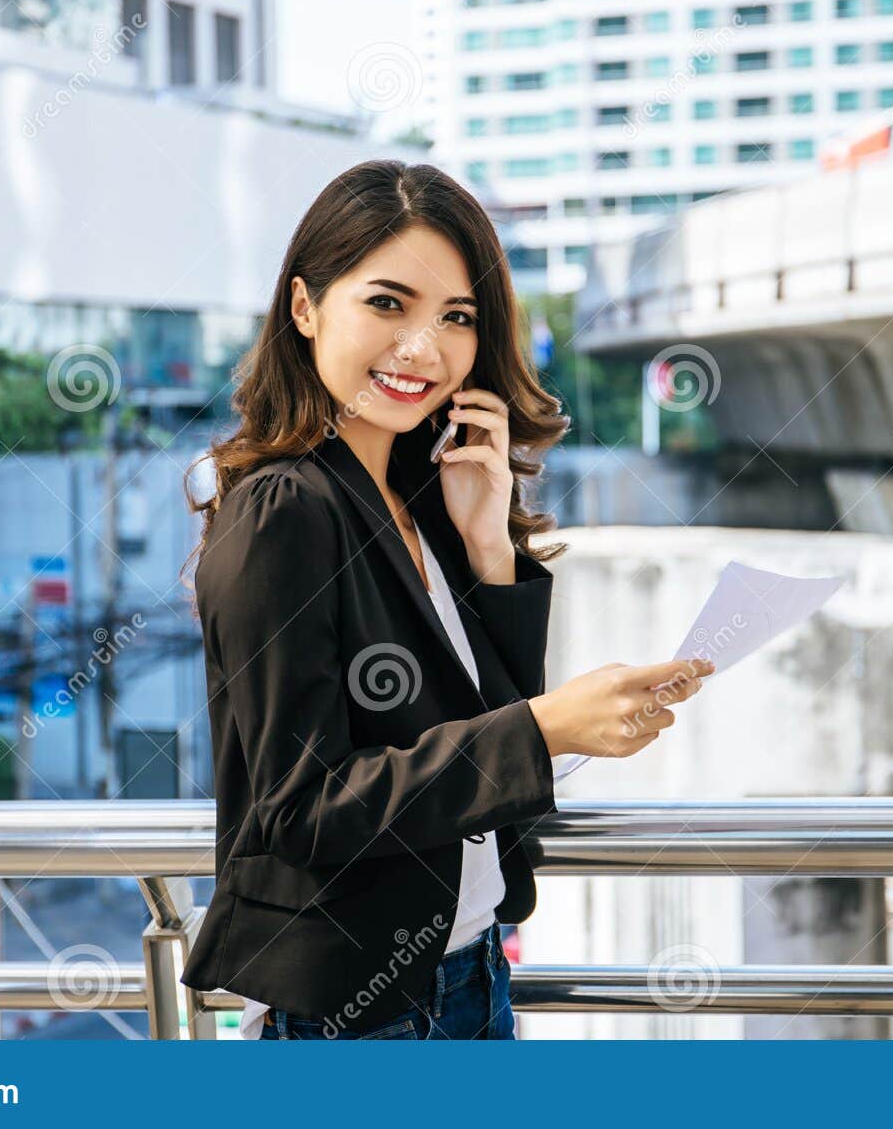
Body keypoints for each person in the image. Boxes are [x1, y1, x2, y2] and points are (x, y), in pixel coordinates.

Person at [179, 159, 715, 1041]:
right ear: (306, 308)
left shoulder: (419, 505)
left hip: (471, 977)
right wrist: (546, 728)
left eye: (456, 317)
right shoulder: (288, 510)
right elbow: (298, 804)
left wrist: (486, 548)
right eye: (387, 304)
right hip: (362, 1016)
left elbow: (481, 752)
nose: (423, 348)